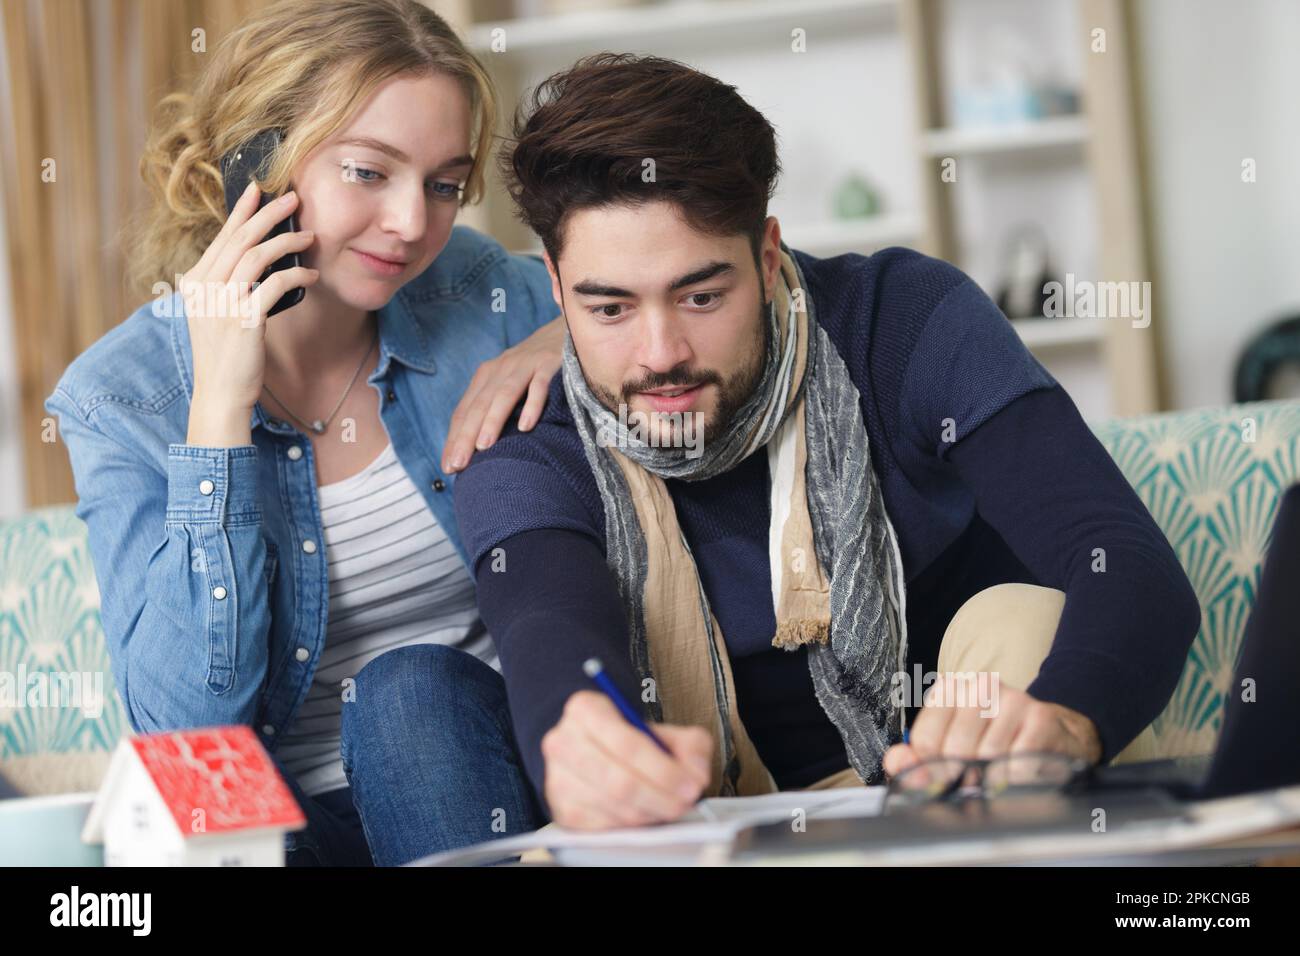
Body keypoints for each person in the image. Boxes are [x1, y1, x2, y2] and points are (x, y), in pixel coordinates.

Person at [453, 54, 1202, 830]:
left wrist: (1068, 718)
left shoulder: (902, 319)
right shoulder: (525, 432)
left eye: (702, 295)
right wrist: (582, 738)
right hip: (711, 824)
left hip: (962, 791)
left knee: (1023, 622)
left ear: (768, 255)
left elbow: (1123, 558)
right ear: (555, 286)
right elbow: (547, 626)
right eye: (609, 309)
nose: (660, 353)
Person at [45, 0, 562, 864]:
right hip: (280, 836)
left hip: (478, 784)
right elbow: (187, 743)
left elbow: (658, 308)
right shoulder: (121, 397)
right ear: (257, 169)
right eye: (369, 172)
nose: (412, 224)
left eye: (443, 184)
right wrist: (217, 418)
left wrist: (559, 338)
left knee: (404, 689)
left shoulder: (474, 292)